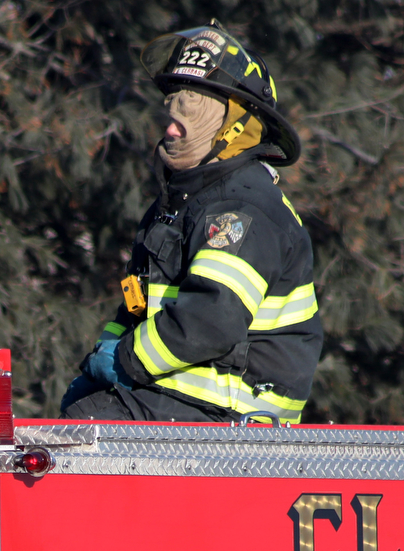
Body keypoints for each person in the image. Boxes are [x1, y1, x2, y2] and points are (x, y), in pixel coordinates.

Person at [60, 20, 322, 424]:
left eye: (189, 112)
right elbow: (138, 305)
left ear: (235, 125)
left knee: (88, 424)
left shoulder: (240, 209)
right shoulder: (184, 204)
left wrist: (124, 362)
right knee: (82, 411)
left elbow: (211, 319)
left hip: (233, 417)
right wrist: (98, 360)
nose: (168, 128)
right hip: (178, 399)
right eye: (171, 109)